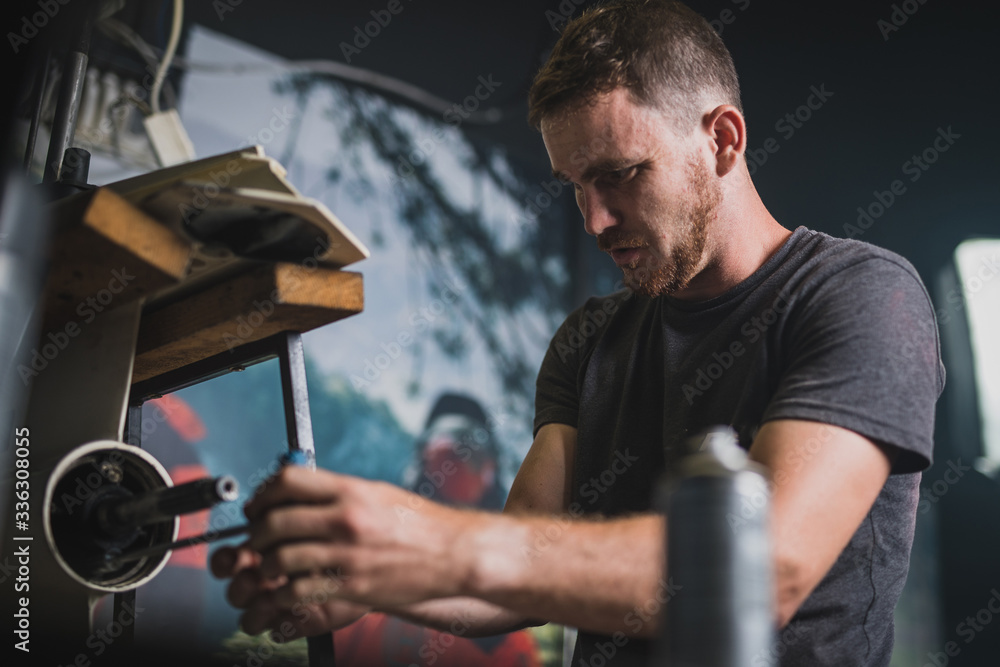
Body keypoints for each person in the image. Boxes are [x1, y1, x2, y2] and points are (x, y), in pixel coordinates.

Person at [210, 1, 945, 665]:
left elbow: (763, 573)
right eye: (576, 187)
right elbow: (511, 582)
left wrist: (429, 541)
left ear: (722, 139)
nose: (594, 220)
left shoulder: (860, 296)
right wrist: (368, 575)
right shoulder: (591, 338)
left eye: (621, 174)